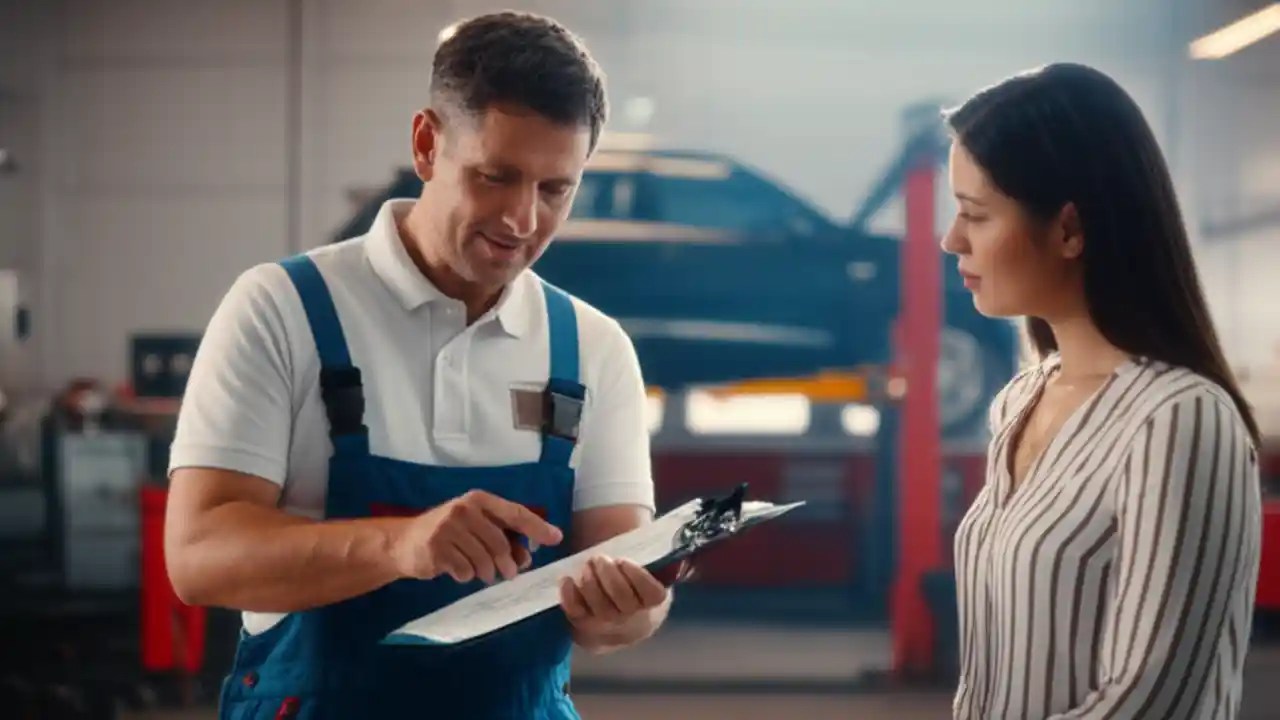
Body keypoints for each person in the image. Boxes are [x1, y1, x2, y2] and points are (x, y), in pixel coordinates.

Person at [163, 12, 670, 719]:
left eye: (556, 189)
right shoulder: (281, 311)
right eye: (496, 177)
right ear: (428, 145)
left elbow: (613, 615)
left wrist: (631, 607)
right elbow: (197, 557)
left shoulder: (592, 348)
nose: (522, 218)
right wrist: (401, 544)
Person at [941, 63, 1262, 720]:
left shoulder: (1179, 420)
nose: (952, 240)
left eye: (976, 213)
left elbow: (1149, 703)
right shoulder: (1021, 400)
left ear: (1068, 230)